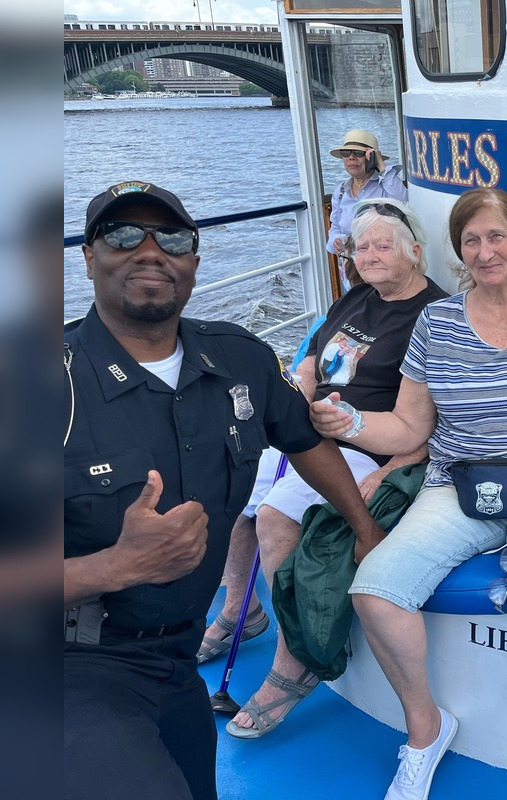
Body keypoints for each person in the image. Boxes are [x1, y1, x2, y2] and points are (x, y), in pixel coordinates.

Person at [64, 181, 386, 800]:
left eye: (173, 238)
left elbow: (304, 439)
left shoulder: (238, 360)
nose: (151, 251)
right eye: (124, 235)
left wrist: (366, 530)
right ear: (88, 255)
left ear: (194, 259)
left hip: (178, 658)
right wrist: (115, 565)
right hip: (69, 665)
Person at [311, 188, 507, 800]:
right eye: (470, 240)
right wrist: (353, 425)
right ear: (457, 251)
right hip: (459, 483)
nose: (484, 250)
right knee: (375, 594)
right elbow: (412, 427)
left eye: (496, 235)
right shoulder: (438, 322)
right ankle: (426, 730)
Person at [206, 199, 449, 738]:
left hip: (367, 442)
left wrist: (394, 468)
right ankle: (241, 611)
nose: (369, 255)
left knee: (273, 517)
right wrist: (290, 409)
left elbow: (435, 417)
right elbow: (311, 364)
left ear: (415, 248)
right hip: (312, 428)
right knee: (227, 477)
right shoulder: (356, 298)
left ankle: (295, 663)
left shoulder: (434, 313)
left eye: (384, 244)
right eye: (361, 247)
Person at [326, 129, 408, 286]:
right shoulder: (341, 191)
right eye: (346, 153)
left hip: (381, 266)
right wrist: (335, 241)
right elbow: (335, 227)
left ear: (371, 158)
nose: (351, 157)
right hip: (351, 269)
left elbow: (404, 200)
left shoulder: (385, 185)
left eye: (358, 152)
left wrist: (380, 165)